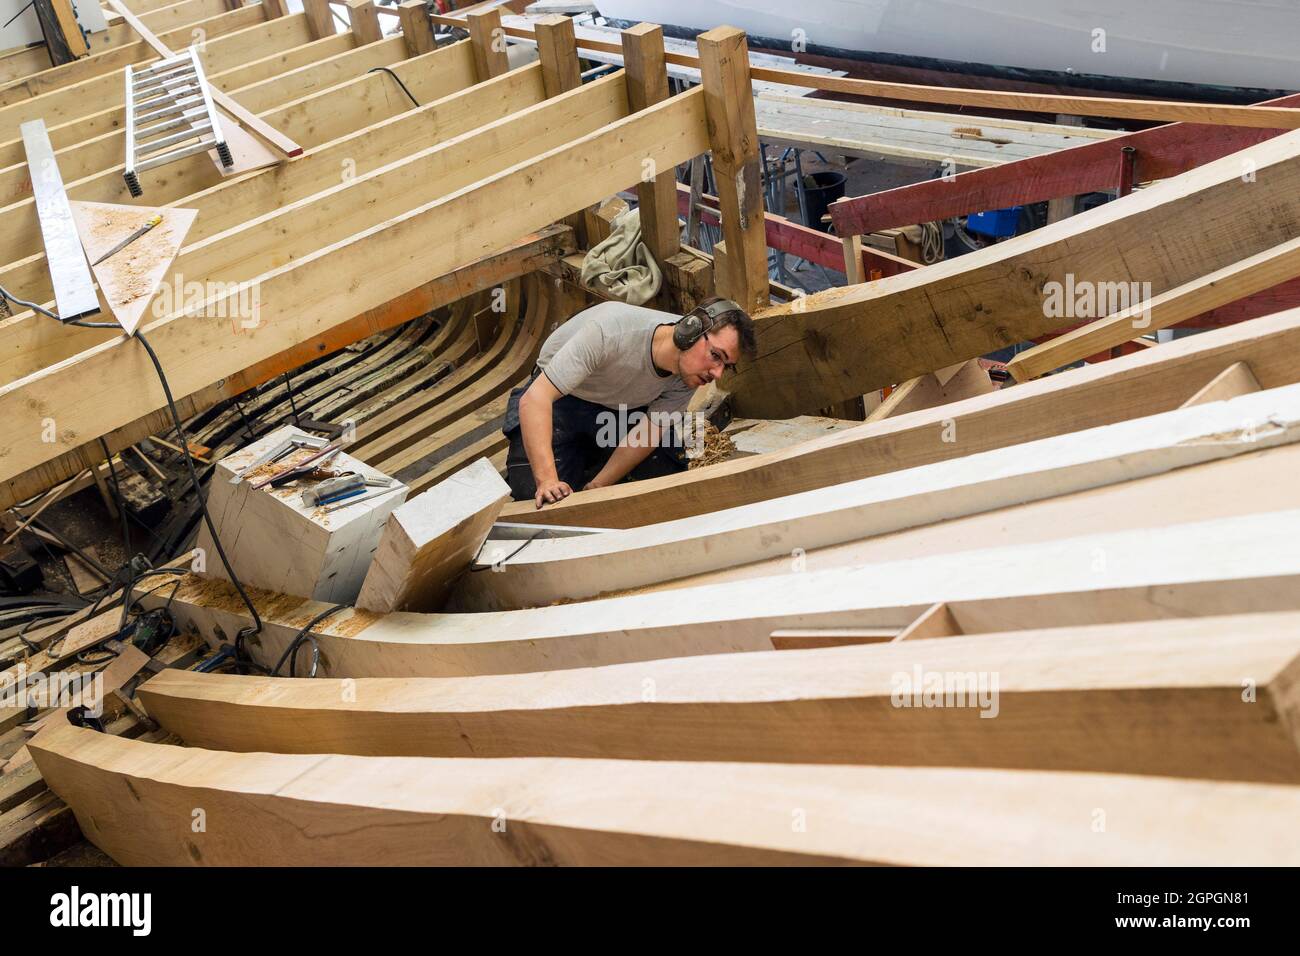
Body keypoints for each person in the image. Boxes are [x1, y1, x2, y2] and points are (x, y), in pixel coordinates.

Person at [502, 296, 757, 508]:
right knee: (535, 499)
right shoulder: (610, 332)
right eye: (715, 356)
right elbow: (535, 399)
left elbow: (647, 435)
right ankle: (573, 466)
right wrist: (547, 481)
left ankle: (587, 471)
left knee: (665, 472)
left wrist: (599, 488)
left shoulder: (687, 375)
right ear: (689, 331)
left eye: (726, 366)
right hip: (561, 402)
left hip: (619, 410)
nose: (717, 374)